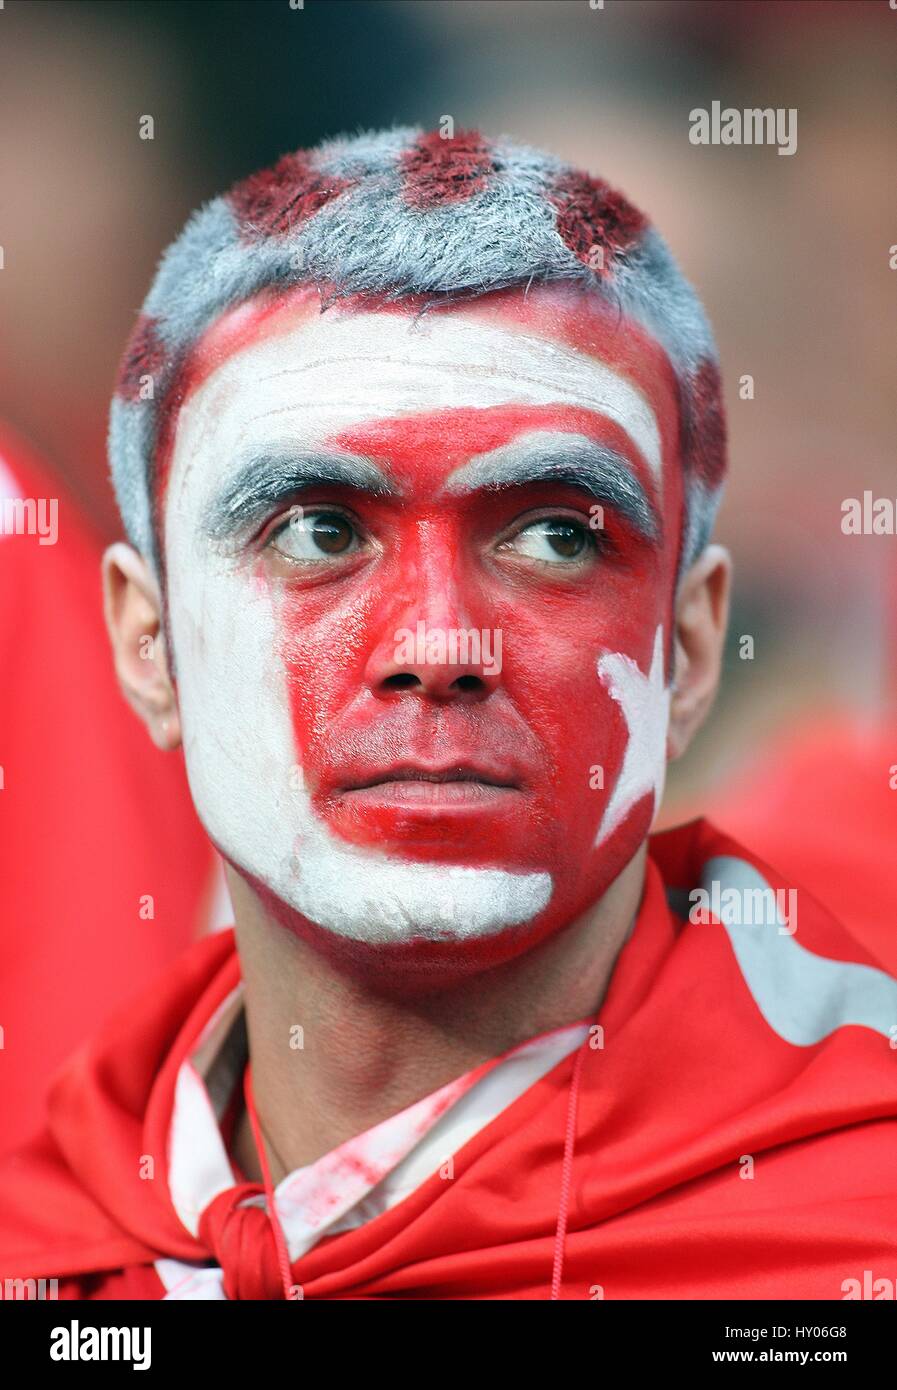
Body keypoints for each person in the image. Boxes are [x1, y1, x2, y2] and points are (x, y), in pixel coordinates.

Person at [1, 127, 894, 1301]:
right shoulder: (53, 1238)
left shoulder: (853, 1240)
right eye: (318, 529)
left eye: (554, 535)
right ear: (149, 642)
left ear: (683, 647)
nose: (439, 645)